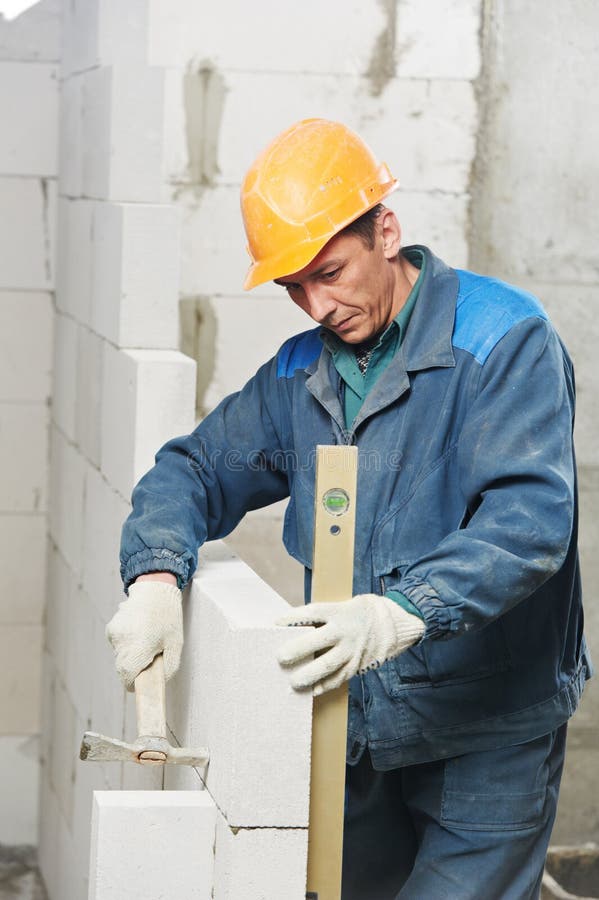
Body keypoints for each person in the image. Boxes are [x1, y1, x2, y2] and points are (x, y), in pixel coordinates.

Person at [106, 119, 591, 899]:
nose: (314, 305)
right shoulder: (302, 372)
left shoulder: (503, 341)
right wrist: (157, 577)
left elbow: (527, 521)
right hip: (358, 731)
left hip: (485, 736)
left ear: (386, 230)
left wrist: (400, 611)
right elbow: (192, 469)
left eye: (328, 272)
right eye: (293, 286)